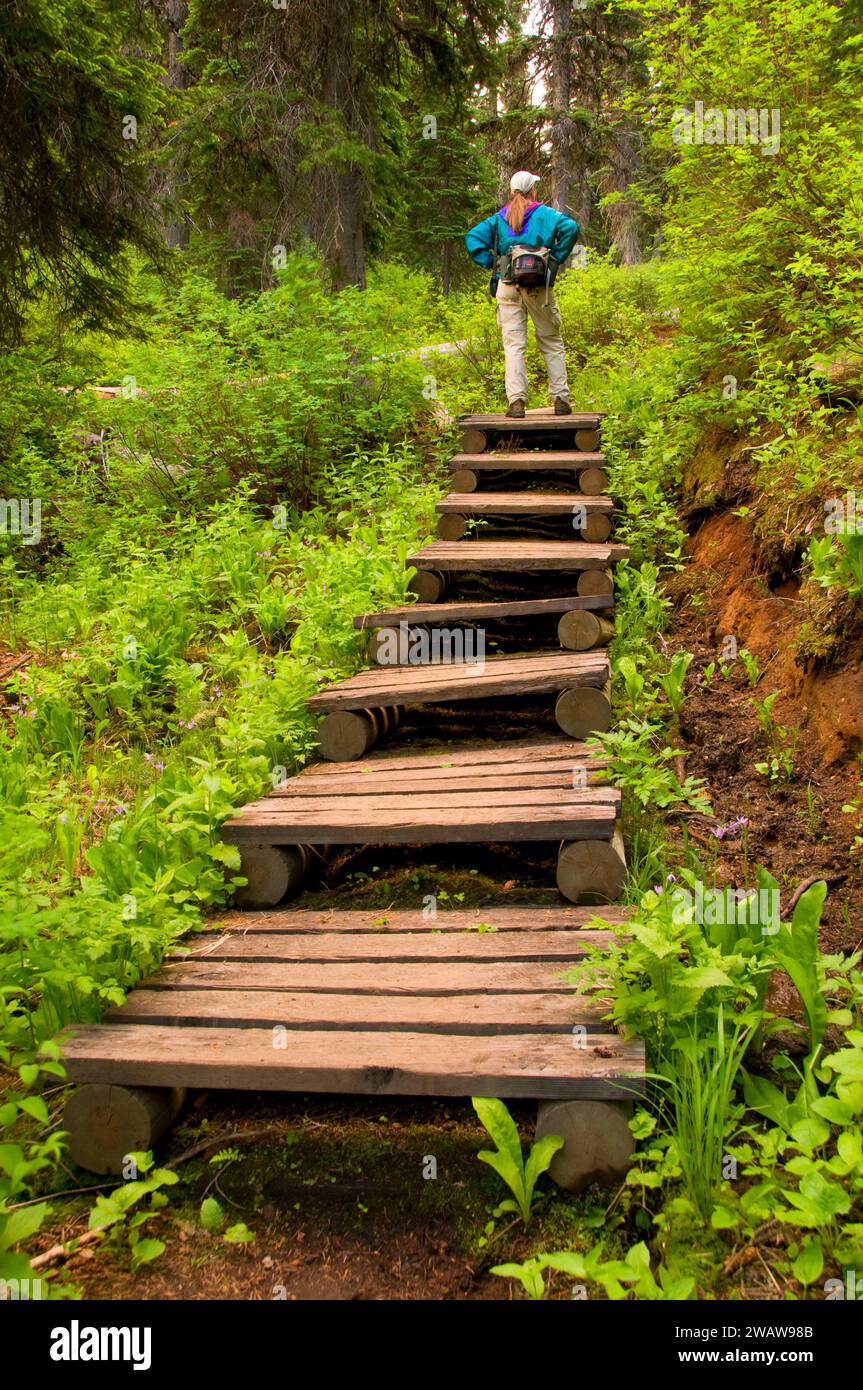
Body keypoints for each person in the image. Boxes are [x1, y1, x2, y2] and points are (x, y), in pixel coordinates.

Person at [465, 171, 580, 418]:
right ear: (533, 191)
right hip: (540, 287)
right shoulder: (546, 215)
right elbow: (571, 227)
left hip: (507, 285)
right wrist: (555, 259)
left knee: (514, 346)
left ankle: (516, 402)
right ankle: (560, 399)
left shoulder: (499, 219)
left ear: (512, 191)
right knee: (550, 341)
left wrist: (493, 263)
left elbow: (472, 238)